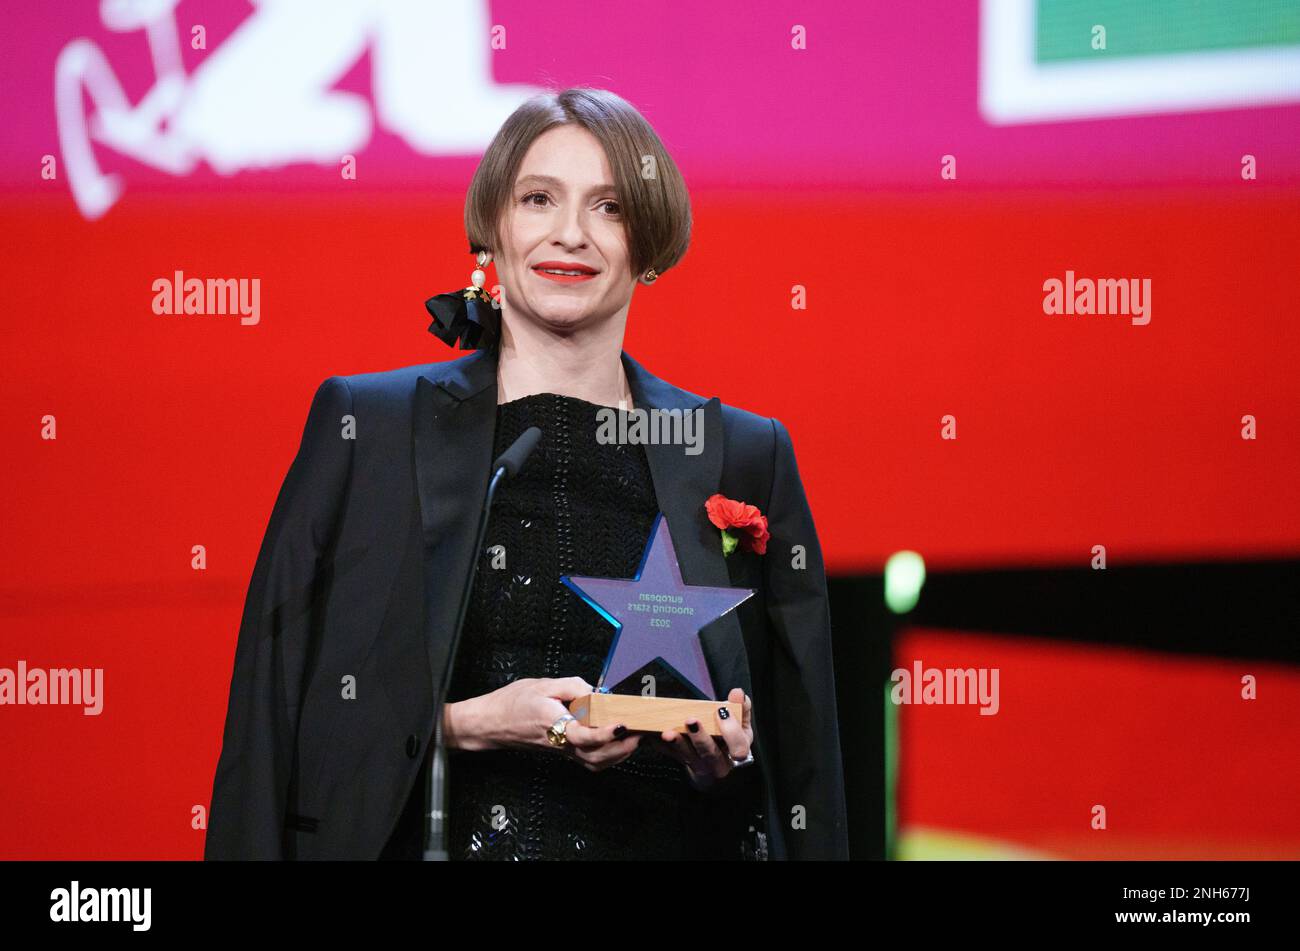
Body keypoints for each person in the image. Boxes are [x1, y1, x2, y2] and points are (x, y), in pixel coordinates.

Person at [203, 87, 848, 861]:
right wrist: (469, 722)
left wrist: (727, 763)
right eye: (539, 198)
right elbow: (276, 711)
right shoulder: (367, 426)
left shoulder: (741, 452)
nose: (570, 233)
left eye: (609, 207)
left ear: (648, 245)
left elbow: (805, 763)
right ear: (493, 228)